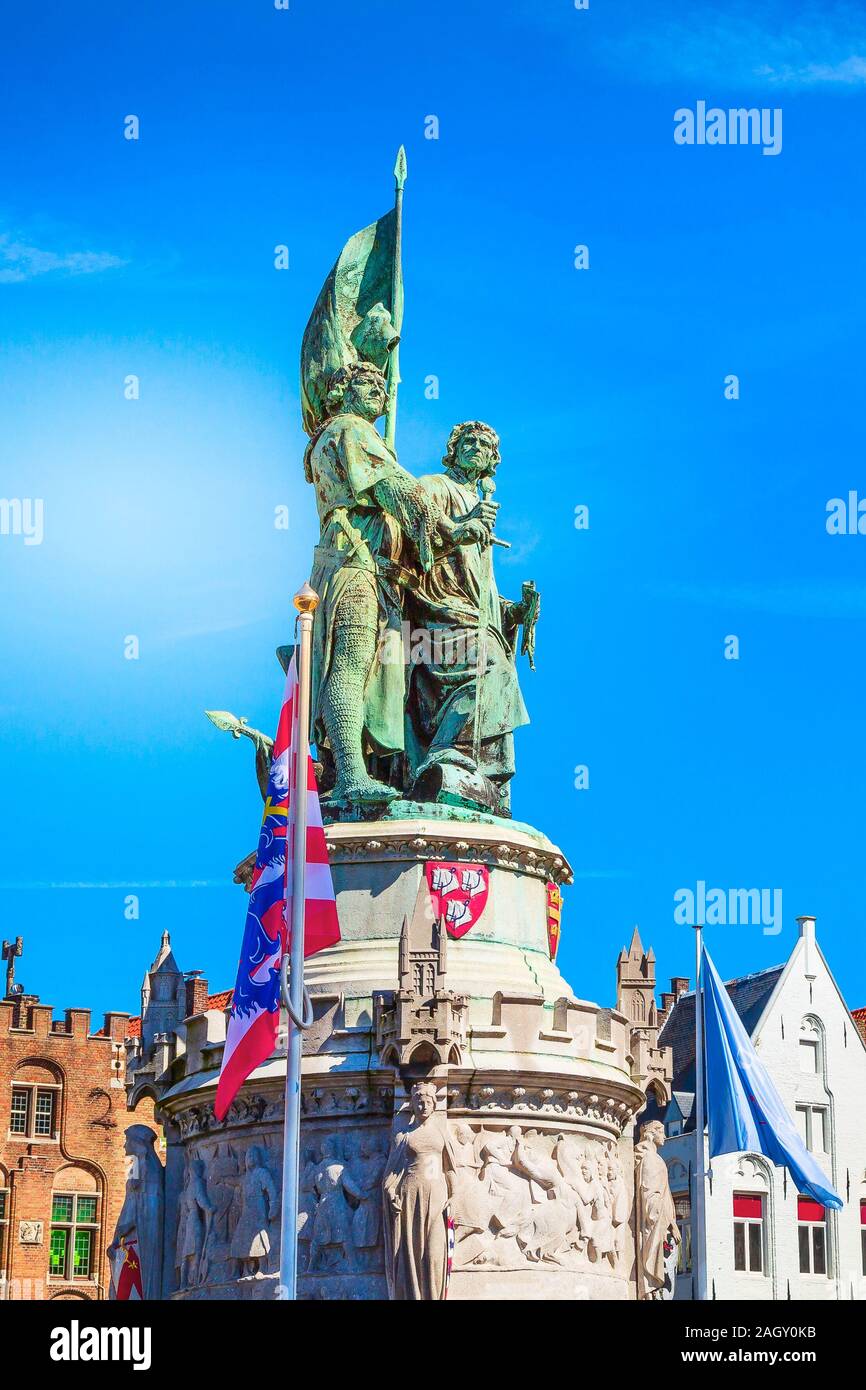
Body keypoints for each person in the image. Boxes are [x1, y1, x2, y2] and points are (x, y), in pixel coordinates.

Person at [306, 365, 493, 806]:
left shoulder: (345, 433)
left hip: (367, 564)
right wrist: (452, 528)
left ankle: (353, 770)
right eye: (366, 385)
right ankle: (351, 775)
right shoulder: (351, 429)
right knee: (350, 665)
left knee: (367, 670)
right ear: (340, 391)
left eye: (380, 387)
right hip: (355, 561)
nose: (380, 393)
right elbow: (397, 490)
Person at [405, 421, 538, 814]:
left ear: (493, 460)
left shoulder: (481, 504)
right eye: (468, 441)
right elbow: (416, 525)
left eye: (484, 444)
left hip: (474, 614)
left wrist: (517, 611)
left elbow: (482, 586)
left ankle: (483, 776)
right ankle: (444, 751)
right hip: (437, 610)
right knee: (491, 665)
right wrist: (462, 528)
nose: (475, 448)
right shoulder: (434, 486)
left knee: (498, 666)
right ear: (453, 449)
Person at [382, 1081, 455, 1299]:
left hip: (437, 1197)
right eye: (419, 1102)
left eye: (427, 1102)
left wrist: (455, 1196)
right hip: (411, 1196)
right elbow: (391, 1172)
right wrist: (390, 1193)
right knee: (412, 1253)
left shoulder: (441, 1133)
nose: (423, 1106)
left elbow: (450, 1169)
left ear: (434, 1104)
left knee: (434, 1254)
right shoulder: (404, 1136)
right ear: (413, 1105)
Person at [109, 1125, 164, 1301]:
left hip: (138, 1240)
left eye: (127, 1141)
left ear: (137, 1143)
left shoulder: (146, 1168)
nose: (124, 1146)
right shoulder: (143, 1167)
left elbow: (141, 1207)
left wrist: (120, 1234)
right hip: (134, 1236)